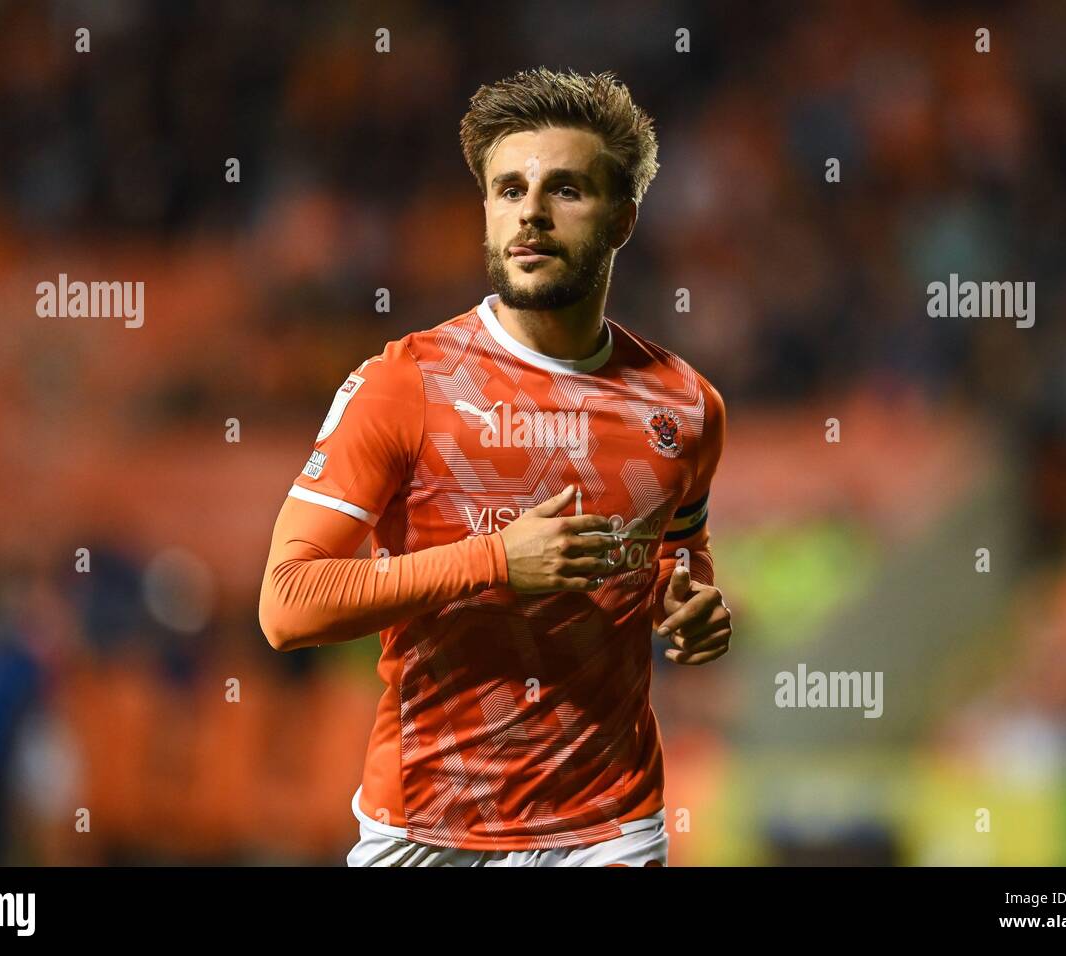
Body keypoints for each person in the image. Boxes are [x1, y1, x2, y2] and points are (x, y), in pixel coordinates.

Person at [259, 67, 731, 866]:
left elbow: (676, 553)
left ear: (623, 218)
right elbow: (288, 606)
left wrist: (689, 603)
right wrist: (494, 561)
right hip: (428, 826)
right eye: (509, 189)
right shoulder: (405, 384)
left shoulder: (683, 407)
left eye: (566, 190)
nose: (532, 215)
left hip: (610, 828)